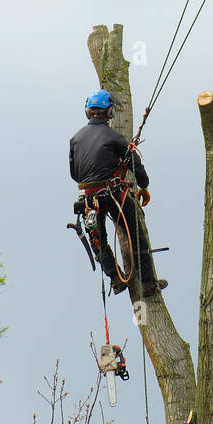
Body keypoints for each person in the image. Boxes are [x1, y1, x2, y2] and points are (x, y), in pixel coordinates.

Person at [69, 90, 167, 295]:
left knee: (98, 239)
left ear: (88, 111)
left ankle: (115, 278)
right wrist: (144, 186)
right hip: (112, 194)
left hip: (88, 198)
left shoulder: (75, 139)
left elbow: (74, 174)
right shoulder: (114, 138)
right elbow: (135, 162)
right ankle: (148, 284)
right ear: (109, 112)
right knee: (135, 233)